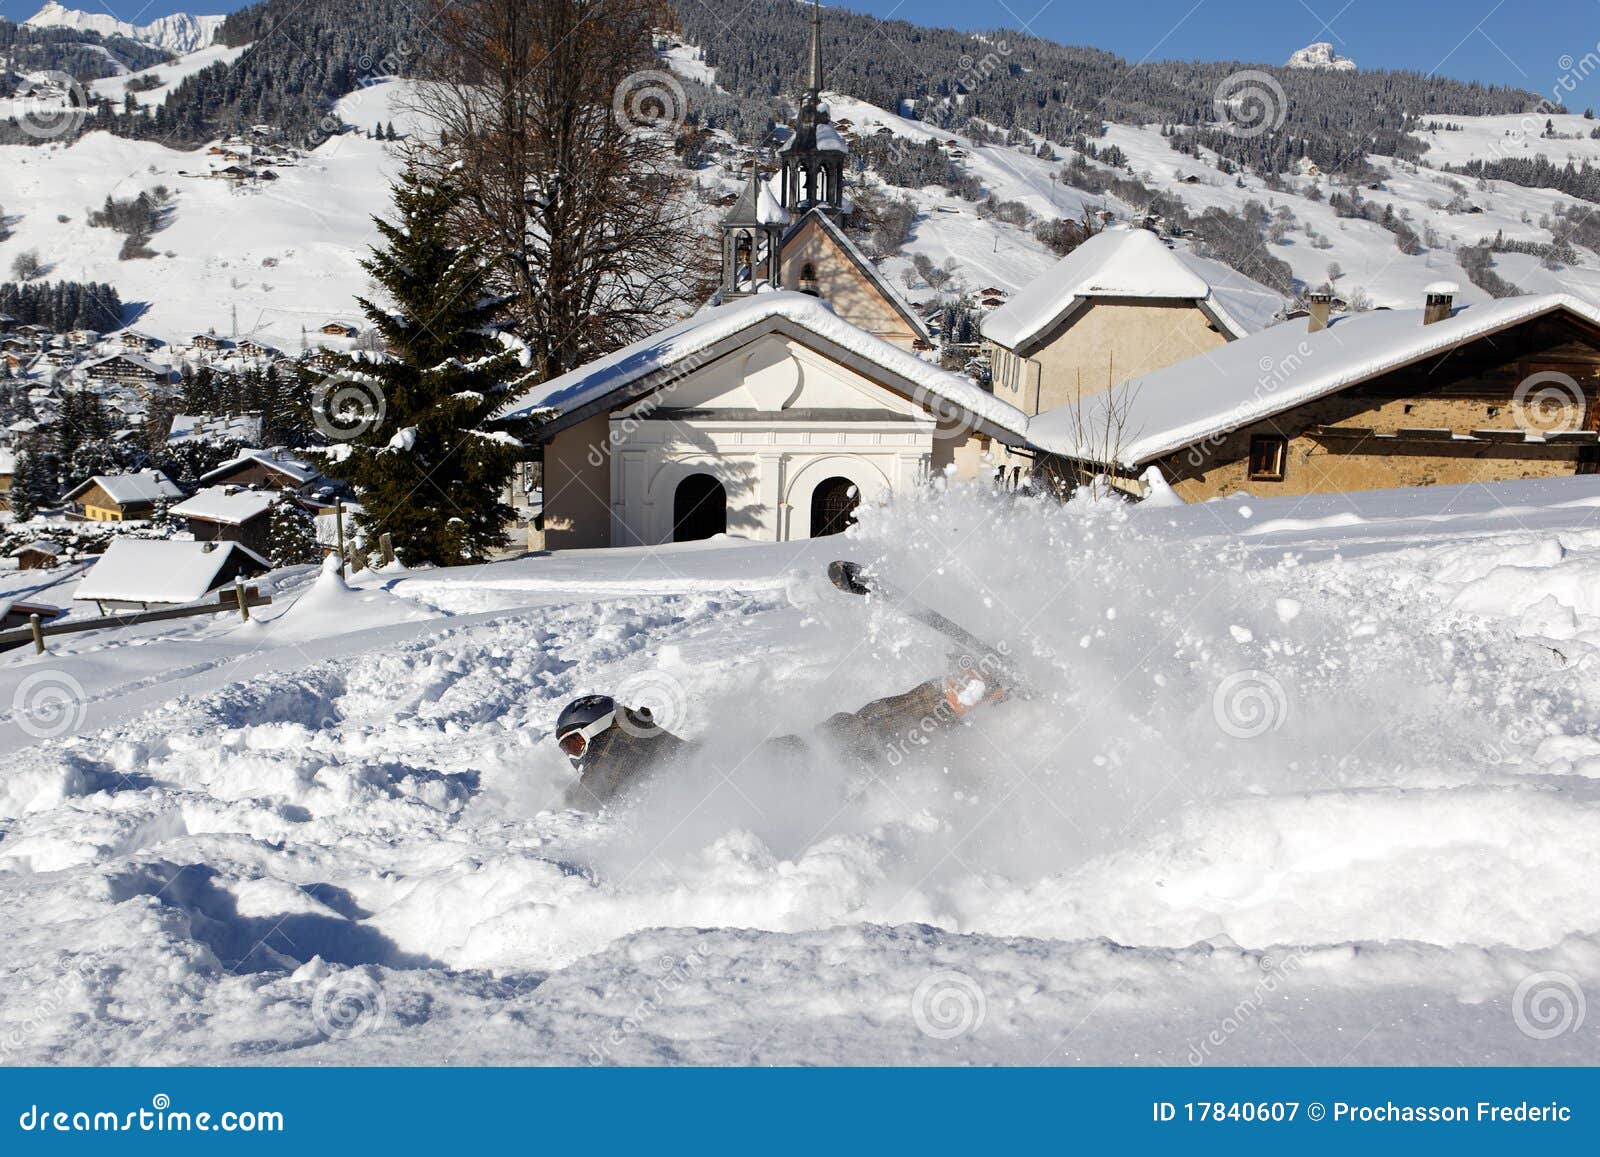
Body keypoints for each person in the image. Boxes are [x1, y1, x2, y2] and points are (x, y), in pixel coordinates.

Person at [555, 671, 1004, 810]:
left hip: (751, 770)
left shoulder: (618, 746)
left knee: (854, 735)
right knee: (856, 738)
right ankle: (957, 695)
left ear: (596, 730)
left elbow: (591, 798)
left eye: (574, 744)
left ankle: (958, 692)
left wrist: (560, 805)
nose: (576, 757)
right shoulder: (632, 739)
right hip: (751, 768)